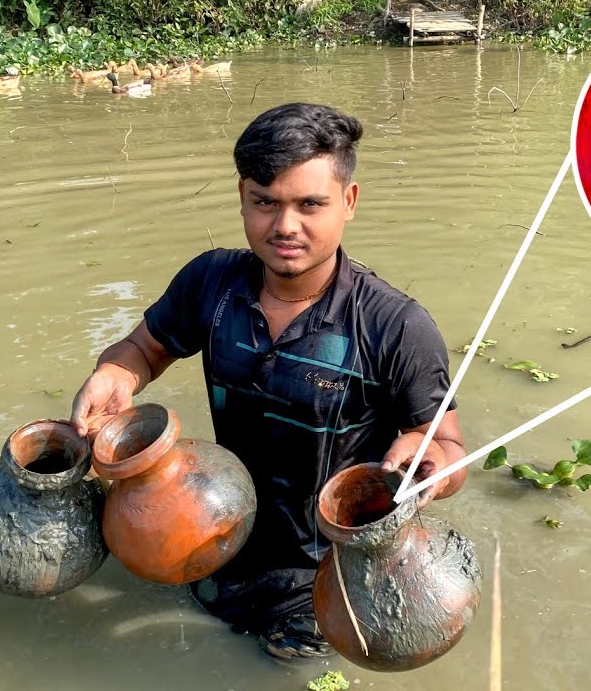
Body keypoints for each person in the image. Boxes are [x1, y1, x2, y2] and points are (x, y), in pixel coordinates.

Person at [70, 102, 467, 660]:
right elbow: (145, 348)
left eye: (310, 204)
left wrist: (432, 465)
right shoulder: (211, 282)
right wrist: (115, 372)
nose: (285, 226)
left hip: (328, 575)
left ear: (349, 201)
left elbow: (447, 447)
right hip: (212, 537)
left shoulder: (394, 325)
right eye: (265, 202)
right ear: (242, 197)